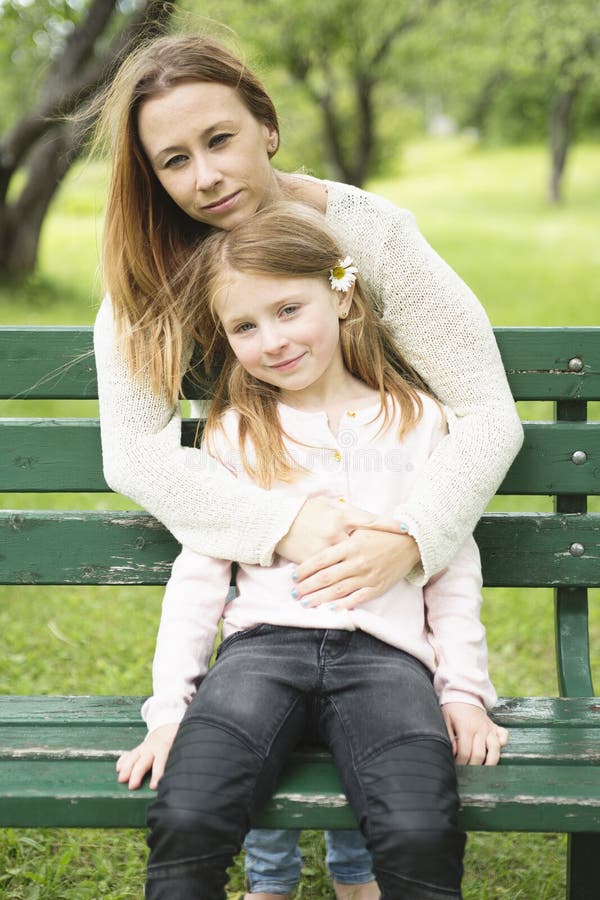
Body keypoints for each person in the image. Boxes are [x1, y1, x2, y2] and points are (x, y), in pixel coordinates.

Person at [92, 32, 522, 899]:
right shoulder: (150, 270)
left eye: (220, 140)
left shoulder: (368, 237)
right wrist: (283, 524)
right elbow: (135, 450)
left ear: (268, 126)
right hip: (266, 615)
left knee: (411, 816)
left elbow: (486, 411)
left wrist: (410, 534)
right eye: (174, 160)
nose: (205, 176)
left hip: (385, 610)